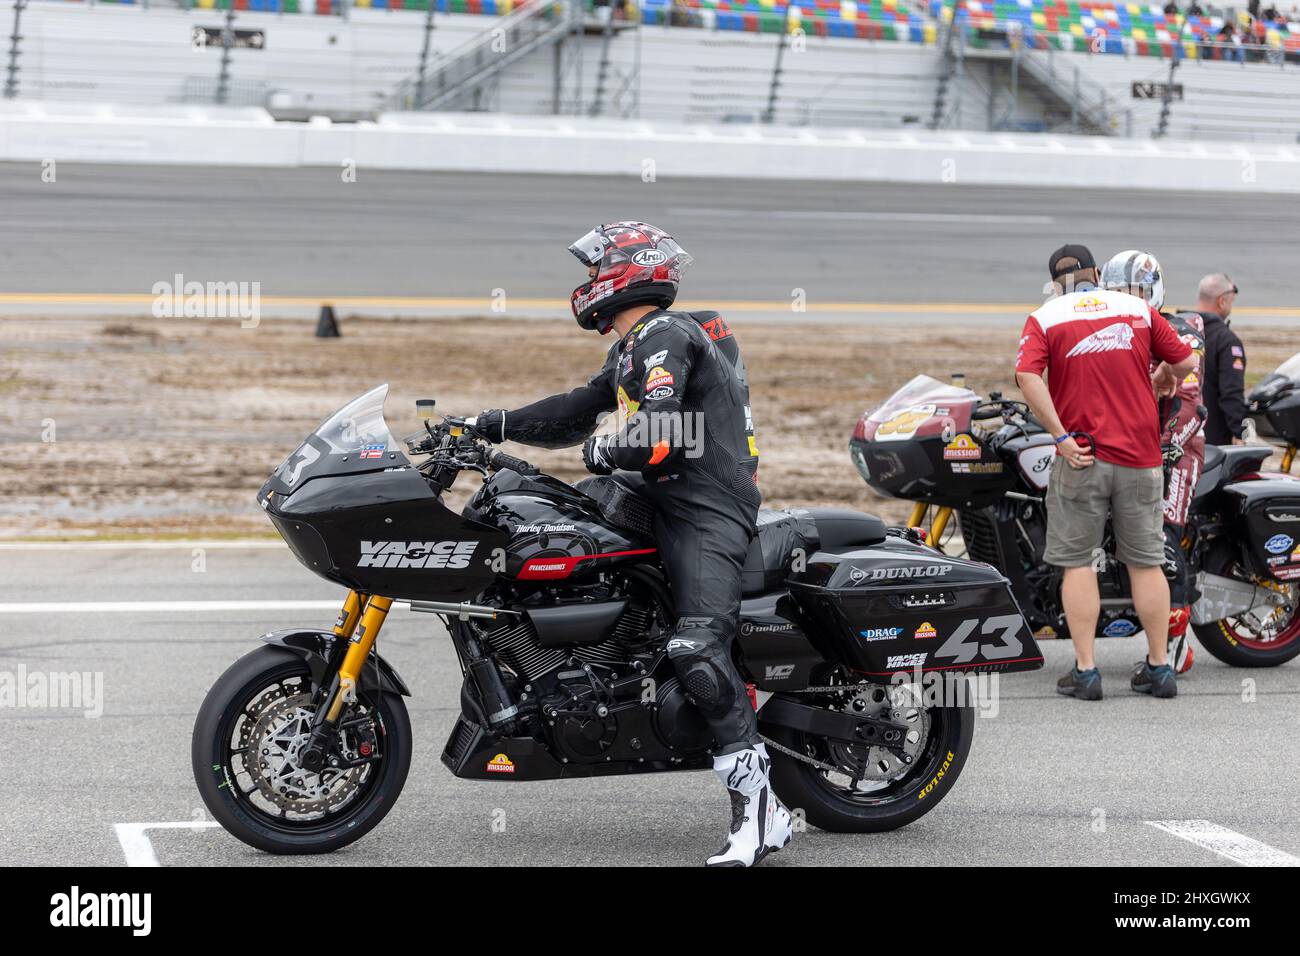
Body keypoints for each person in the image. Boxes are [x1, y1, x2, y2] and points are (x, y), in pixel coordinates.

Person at [469, 222, 791, 867]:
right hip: (651, 499)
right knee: (542, 530)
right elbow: (572, 410)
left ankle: (763, 811)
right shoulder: (636, 345)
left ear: (626, 273)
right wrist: (482, 426)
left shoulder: (667, 336)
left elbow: (660, 433)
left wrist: (607, 446)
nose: (586, 285)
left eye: (594, 272)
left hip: (704, 507)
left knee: (697, 646)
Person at [1016, 244, 1196, 701]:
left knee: (1078, 564)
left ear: (1056, 282)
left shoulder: (1046, 316)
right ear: (1098, 272)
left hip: (1082, 458)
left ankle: (1086, 671)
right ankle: (1158, 668)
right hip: (1140, 457)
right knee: (1146, 562)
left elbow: (1027, 376)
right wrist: (1163, 378)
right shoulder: (1135, 308)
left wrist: (1059, 436)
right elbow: (1187, 361)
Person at [1099, 250, 1206, 676]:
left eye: (1137, 292)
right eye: (1120, 291)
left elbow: (1188, 404)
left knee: (1161, 540)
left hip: (1175, 449)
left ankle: (1174, 648)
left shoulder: (1182, 330)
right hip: (1127, 447)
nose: (1130, 298)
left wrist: (1161, 451)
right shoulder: (1110, 331)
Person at [1190, 273, 1248, 446]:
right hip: (1213, 443)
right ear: (1222, 301)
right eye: (1231, 301)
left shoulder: (1175, 331)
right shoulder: (1227, 342)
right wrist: (1240, 432)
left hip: (1176, 435)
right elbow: (1231, 392)